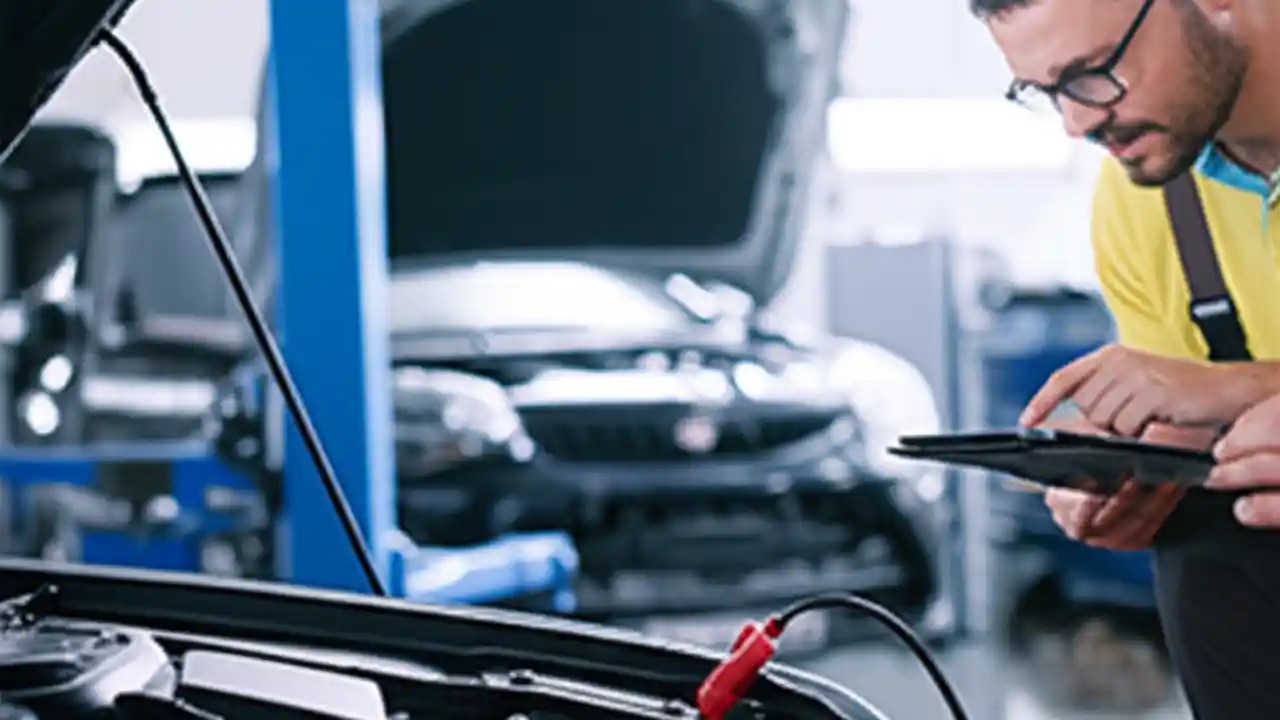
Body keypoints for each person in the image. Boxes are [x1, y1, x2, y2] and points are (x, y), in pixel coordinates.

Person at [971, 1, 1280, 717]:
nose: (1076, 123)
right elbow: (1188, 423)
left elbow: (1207, 394)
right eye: (1046, 91)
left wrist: (1227, 389)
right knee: (1206, 533)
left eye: (1093, 72)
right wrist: (1129, 470)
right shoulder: (1146, 198)